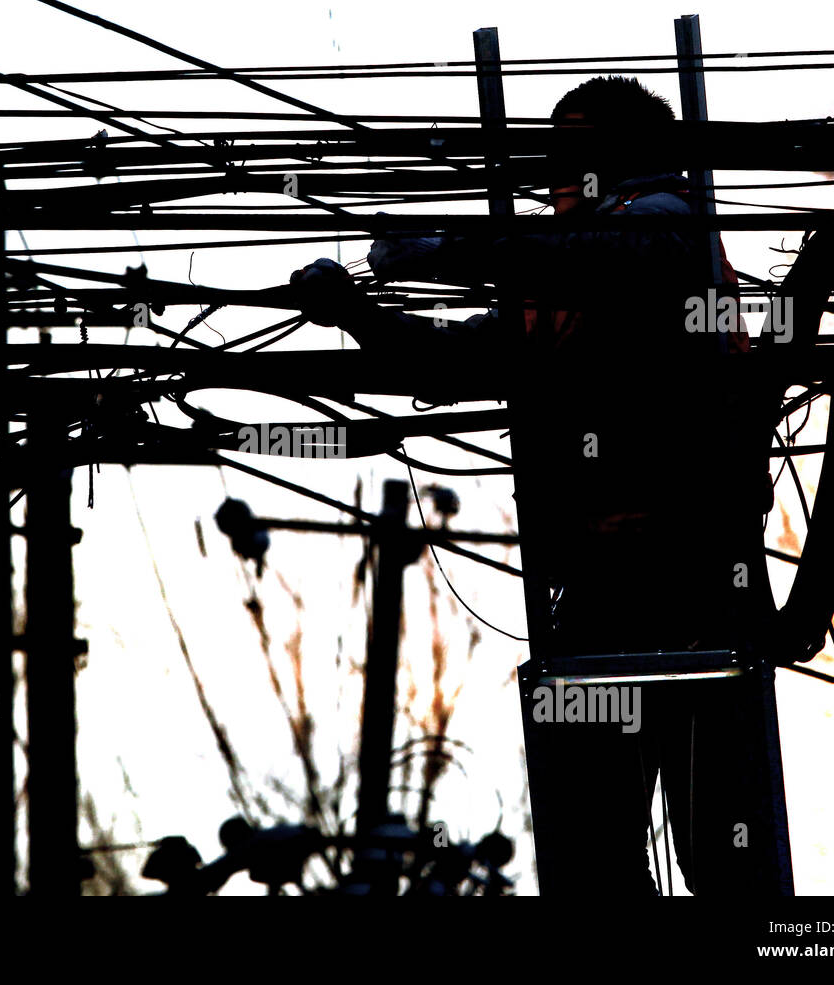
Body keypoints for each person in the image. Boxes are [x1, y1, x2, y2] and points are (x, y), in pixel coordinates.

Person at [290, 76, 778, 895]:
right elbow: (451, 358)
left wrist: (451, 245)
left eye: (577, 148)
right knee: (593, 852)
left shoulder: (671, 224)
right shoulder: (552, 287)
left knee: (722, 851)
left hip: (696, 579)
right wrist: (354, 312)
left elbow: (604, 262)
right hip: (596, 586)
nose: (555, 166)